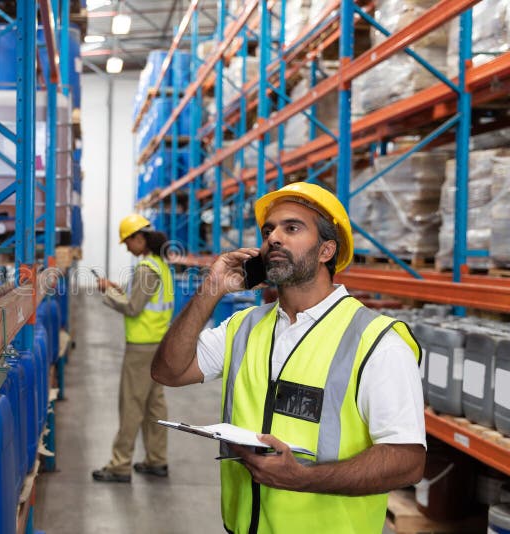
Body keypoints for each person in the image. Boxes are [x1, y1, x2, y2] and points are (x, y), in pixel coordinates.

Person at [151, 183, 426, 533]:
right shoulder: (245, 327)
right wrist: (213, 287)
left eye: (291, 228)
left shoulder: (377, 342)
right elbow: (167, 371)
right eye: (268, 230)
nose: (273, 238)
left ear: (327, 250)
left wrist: (303, 478)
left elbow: (407, 461)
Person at [92, 213, 175, 483]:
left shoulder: (146, 269)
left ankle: (119, 464)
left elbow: (133, 307)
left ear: (140, 239)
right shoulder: (159, 265)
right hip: (158, 343)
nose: (126, 246)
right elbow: (140, 299)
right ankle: (156, 459)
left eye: (128, 241)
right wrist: (117, 288)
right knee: (154, 405)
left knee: (131, 404)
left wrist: (107, 291)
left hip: (142, 347)